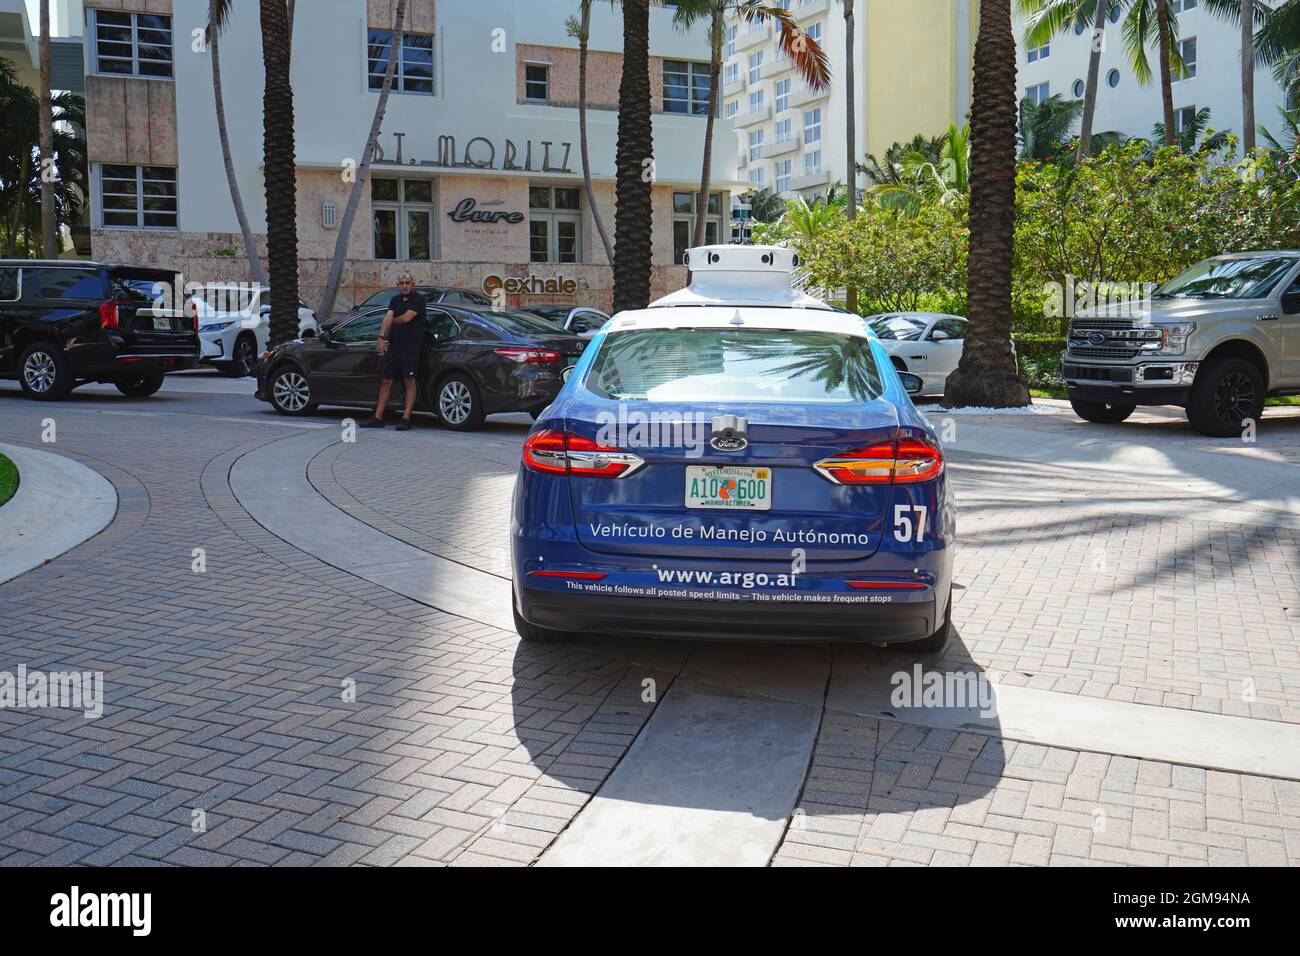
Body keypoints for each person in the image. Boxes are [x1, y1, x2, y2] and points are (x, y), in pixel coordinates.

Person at [359, 275, 426, 431]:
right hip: (394, 346)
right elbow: (389, 316)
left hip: (411, 347)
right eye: (401, 283)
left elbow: (405, 319)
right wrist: (381, 337)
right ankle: (378, 417)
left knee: (409, 381)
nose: (404, 286)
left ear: (413, 284)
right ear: (398, 285)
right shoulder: (394, 300)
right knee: (386, 381)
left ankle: (406, 418)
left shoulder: (418, 300)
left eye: (407, 283)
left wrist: (389, 320)